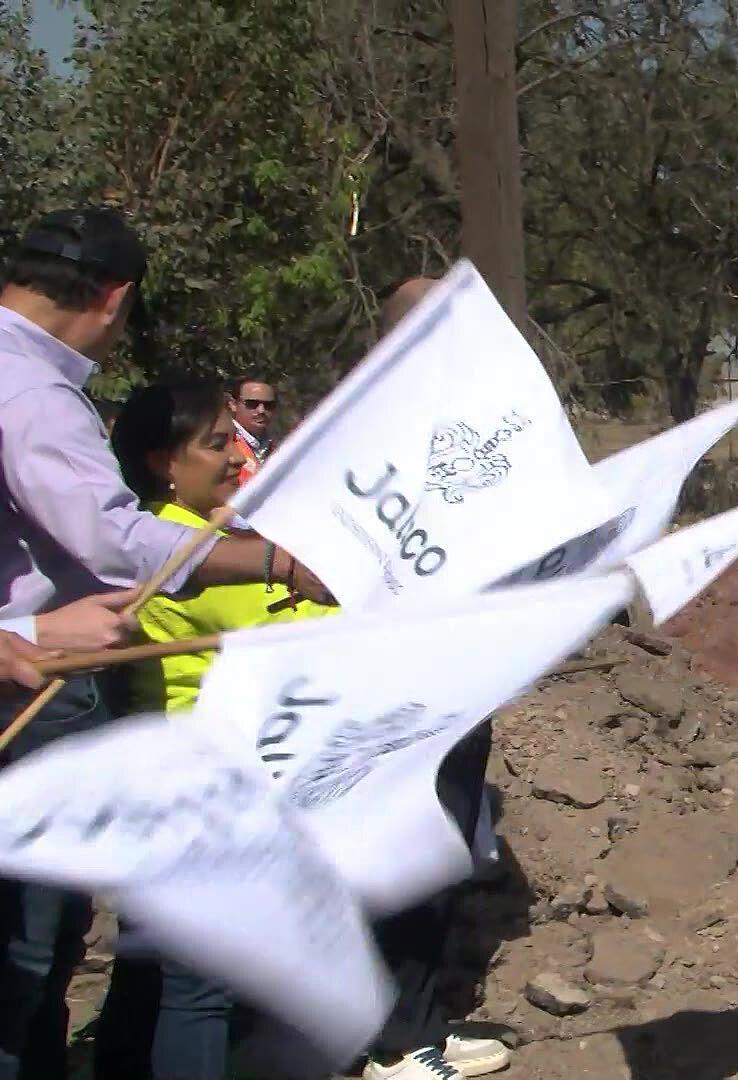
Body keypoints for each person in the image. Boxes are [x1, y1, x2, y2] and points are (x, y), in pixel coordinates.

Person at [0, 208, 332, 1080]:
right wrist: (275, 564)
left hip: (42, 666)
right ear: (115, 299)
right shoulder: (30, 389)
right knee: (30, 949)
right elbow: (112, 541)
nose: (234, 453)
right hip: (32, 689)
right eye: (217, 438)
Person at [92, 382, 332, 1080]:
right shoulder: (186, 555)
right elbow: (301, 638)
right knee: (201, 988)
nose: (237, 455)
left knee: (147, 967)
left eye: (235, 436)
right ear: (165, 460)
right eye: (217, 442)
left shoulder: (181, 538)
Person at [347, 273, 511, 1080]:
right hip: (409, 682)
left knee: (435, 856)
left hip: (456, 671)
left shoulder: (443, 424)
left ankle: (416, 1026)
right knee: (409, 859)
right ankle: (393, 1045)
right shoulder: (379, 431)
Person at [225, 375, 276, 485]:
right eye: (252, 404)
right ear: (233, 404)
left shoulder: (278, 448)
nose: (261, 410)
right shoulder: (221, 443)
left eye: (269, 405)